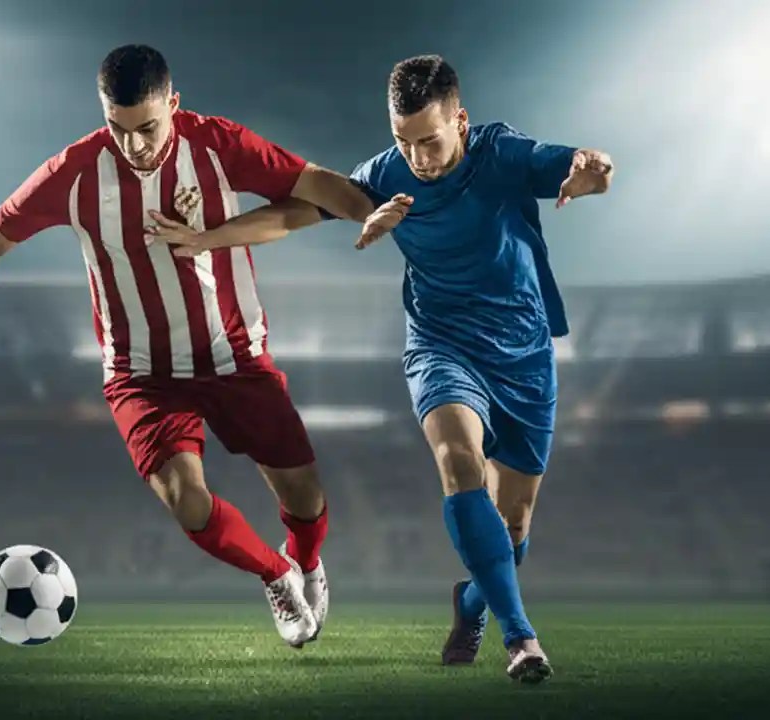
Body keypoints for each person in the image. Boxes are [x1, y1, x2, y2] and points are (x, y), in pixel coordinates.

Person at [154, 54, 614, 681]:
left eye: (429, 140)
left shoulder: (502, 154)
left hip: (523, 353)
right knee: (457, 462)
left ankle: (473, 599)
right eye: (404, 140)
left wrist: (591, 175)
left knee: (514, 530)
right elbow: (294, 211)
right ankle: (521, 640)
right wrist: (209, 238)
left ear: (461, 120)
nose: (418, 158)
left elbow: (585, 166)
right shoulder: (386, 174)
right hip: (440, 345)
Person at [0, 44, 373, 648]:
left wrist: (377, 212)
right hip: (141, 373)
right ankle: (276, 574)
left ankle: (306, 559)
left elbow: (315, 186)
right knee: (187, 501)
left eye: (148, 128)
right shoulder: (73, 173)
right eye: (117, 130)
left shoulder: (218, 145)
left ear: (174, 105)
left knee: (306, 497)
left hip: (235, 358)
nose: (135, 145)